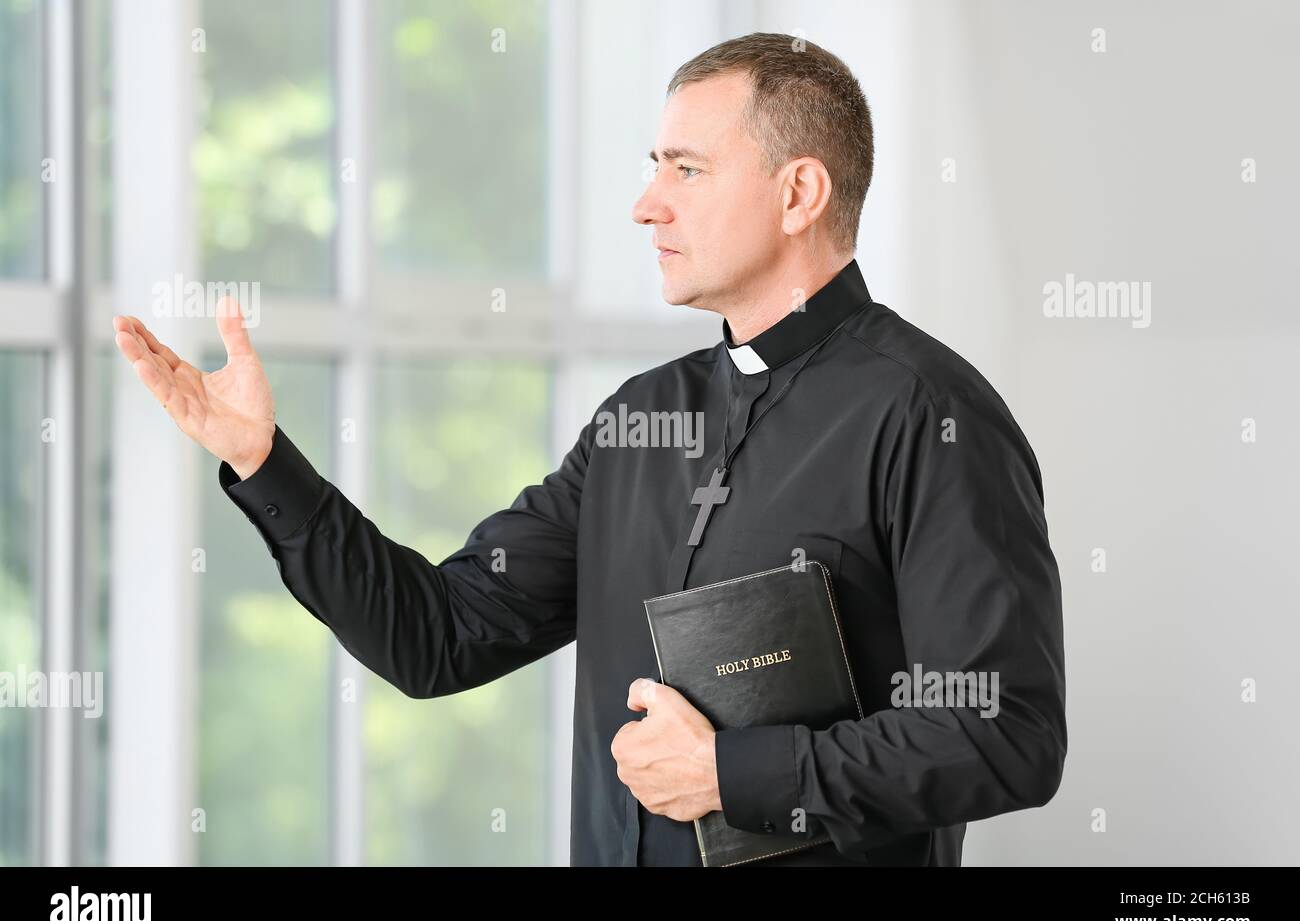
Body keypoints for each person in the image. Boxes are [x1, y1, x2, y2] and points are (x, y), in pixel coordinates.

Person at [112, 32, 1066, 866]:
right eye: (654, 165)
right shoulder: (636, 423)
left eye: (686, 170)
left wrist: (731, 773)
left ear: (799, 192)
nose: (647, 204)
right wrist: (263, 460)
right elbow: (435, 635)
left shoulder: (933, 416)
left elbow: (1006, 734)